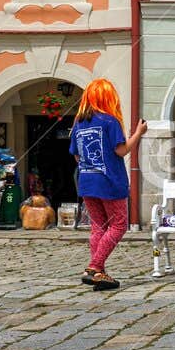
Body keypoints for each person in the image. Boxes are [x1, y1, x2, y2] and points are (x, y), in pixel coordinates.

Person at [69, 78, 147, 290]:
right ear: (108, 97)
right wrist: (138, 134)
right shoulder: (109, 121)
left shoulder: (78, 124)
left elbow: (76, 156)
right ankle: (94, 267)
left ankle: (97, 272)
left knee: (98, 226)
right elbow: (121, 151)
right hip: (109, 182)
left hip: (86, 181)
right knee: (119, 225)